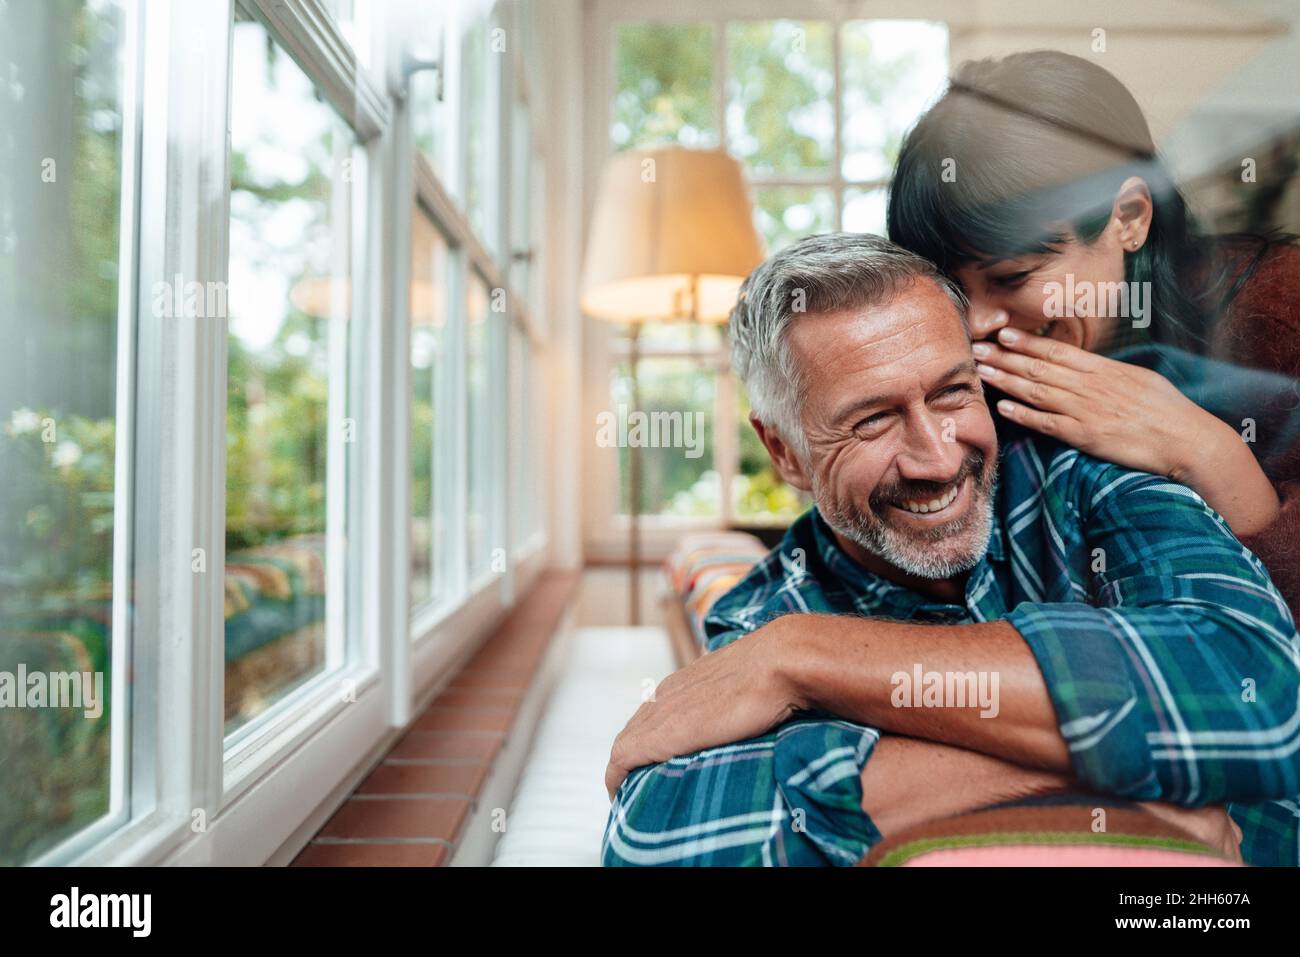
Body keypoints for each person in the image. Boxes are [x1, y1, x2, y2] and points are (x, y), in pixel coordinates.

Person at [601, 233, 1300, 867]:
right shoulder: (764, 613)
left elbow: (1263, 693)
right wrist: (1145, 764)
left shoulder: (1090, 476)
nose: (936, 457)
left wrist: (810, 659)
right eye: (872, 419)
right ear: (783, 450)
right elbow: (653, 838)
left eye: (951, 393)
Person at [886, 49, 1300, 617]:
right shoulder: (956, 377)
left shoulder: (1280, 313)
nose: (977, 324)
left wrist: (1207, 453)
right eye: (952, 291)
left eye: (1013, 277)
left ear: (1129, 216)